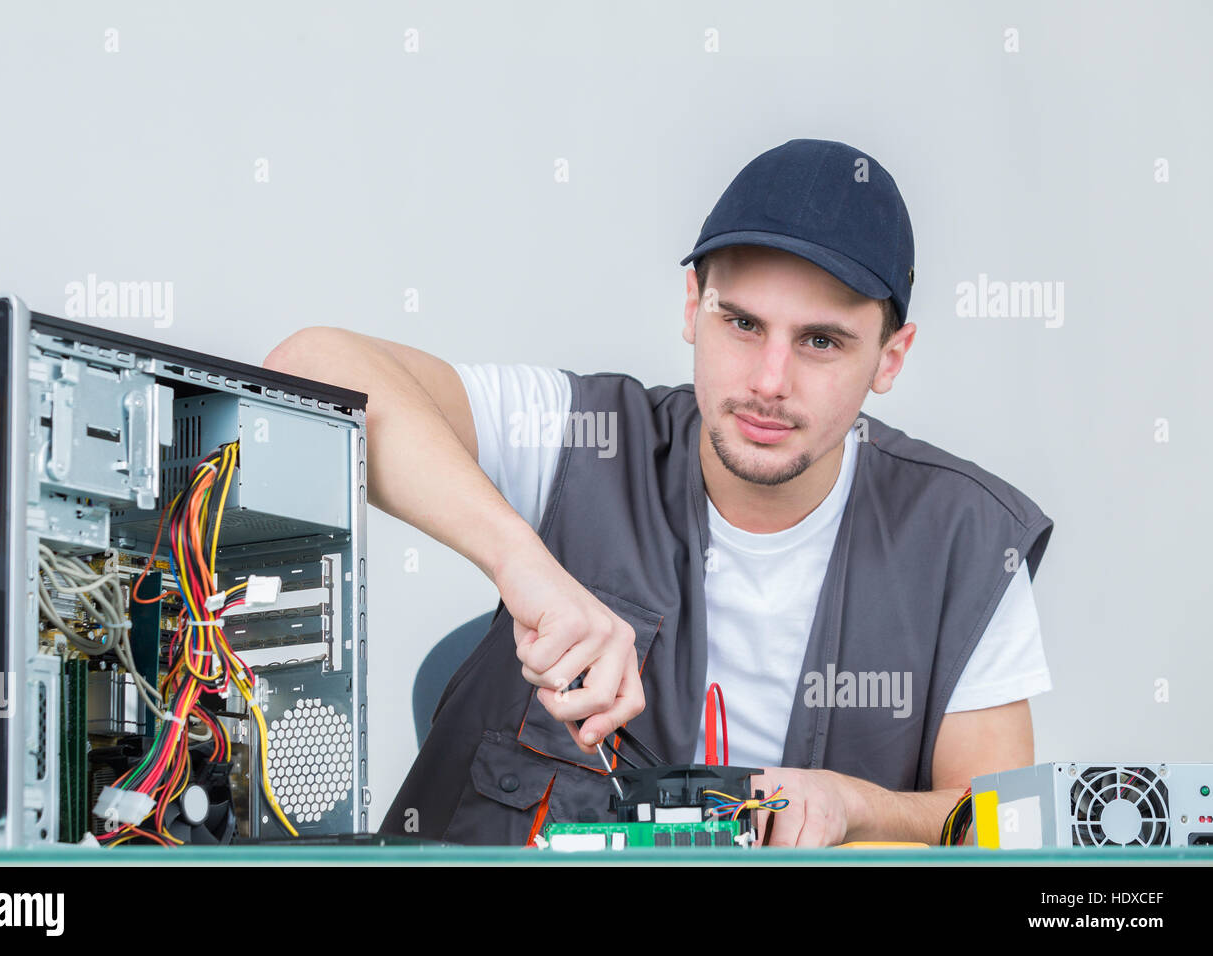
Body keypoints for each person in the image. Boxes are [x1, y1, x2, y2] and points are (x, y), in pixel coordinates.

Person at [262, 139, 1054, 847]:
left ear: (891, 357)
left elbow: (1000, 827)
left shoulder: (966, 537)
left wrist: (858, 806)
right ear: (692, 308)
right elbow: (309, 370)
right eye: (741, 323)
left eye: (821, 341)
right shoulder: (587, 436)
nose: (768, 383)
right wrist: (523, 565)